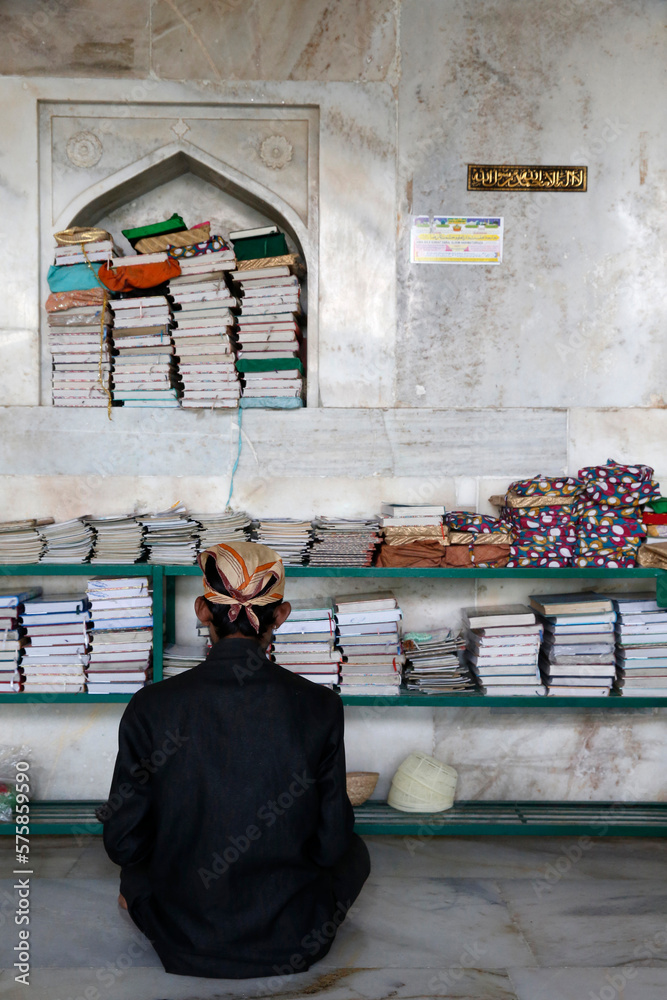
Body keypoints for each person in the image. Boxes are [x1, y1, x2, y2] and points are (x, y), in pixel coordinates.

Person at [101, 541, 370, 979]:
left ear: (202, 611)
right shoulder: (320, 705)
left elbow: (124, 843)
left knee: (138, 867)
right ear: (281, 615)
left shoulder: (151, 705)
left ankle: (138, 900)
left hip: (182, 937)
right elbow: (330, 844)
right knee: (354, 852)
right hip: (293, 939)